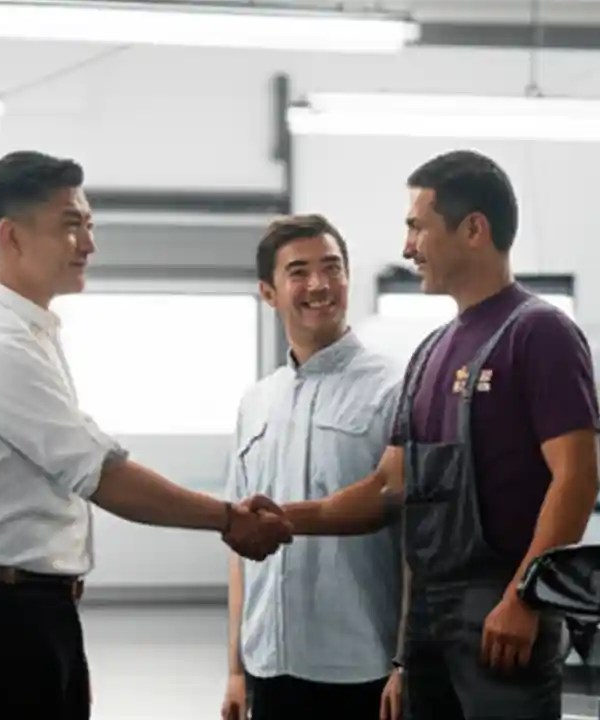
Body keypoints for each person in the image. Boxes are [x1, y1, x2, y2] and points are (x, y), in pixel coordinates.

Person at [0, 150, 294, 720]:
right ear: (11, 236)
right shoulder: (0, 347)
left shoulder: (29, 334)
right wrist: (228, 518)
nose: (89, 244)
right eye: (72, 226)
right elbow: (105, 476)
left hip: (31, 611)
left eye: (90, 225)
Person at [264, 150, 600, 720]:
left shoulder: (539, 334)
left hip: (500, 609)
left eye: (417, 226)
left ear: (473, 229)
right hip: (429, 620)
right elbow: (388, 489)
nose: (407, 247)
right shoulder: (429, 353)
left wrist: (525, 597)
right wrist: (282, 519)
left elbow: (578, 477)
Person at [222, 214, 403, 720]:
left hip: (361, 664)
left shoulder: (394, 388)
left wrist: (404, 663)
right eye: (299, 272)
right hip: (269, 664)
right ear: (268, 292)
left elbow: (416, 540)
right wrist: (236, 668)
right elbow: (238, 548)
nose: (319, 285)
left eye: (332, 267)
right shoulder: (256, 402)